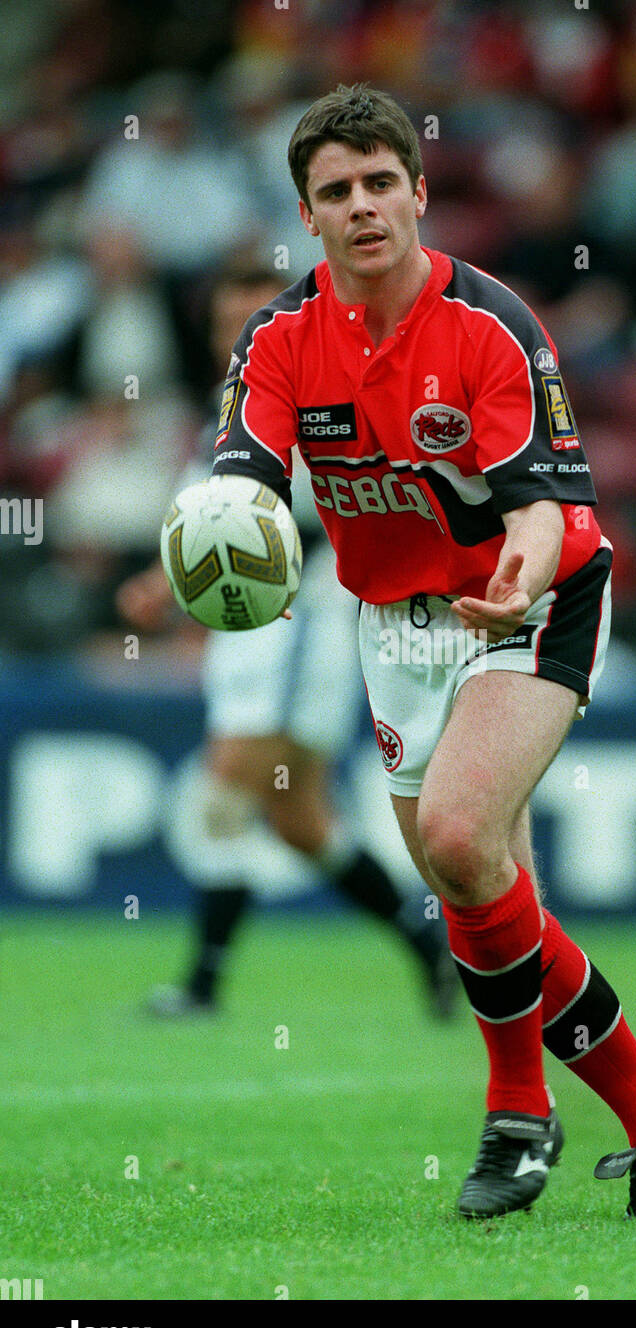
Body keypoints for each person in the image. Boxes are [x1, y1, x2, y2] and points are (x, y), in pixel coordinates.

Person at [211, 84, 636, 1219]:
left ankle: (516, 1115)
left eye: (379, 183)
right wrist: (229, 555)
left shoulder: (492, 324)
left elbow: (544, 504)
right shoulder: (280, 338)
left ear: (419, 193)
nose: (361, 207)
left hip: (525, 599)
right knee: (476, 888)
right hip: (392, 625)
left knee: (453, 835)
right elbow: (238, 475)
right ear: (307, 215)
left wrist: (522, 572)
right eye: (334, 192)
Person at [118, 263, 458, 1019]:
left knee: (227, 781)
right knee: (299, 819)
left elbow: (284, 513)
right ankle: (428, 946)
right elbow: (209, 515)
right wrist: (162, 579)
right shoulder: (227, 404)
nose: (243, 337)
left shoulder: (313, 391)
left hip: (301, 608)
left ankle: (202, 985)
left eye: (255, 320)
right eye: (228, 322)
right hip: (253, 616)